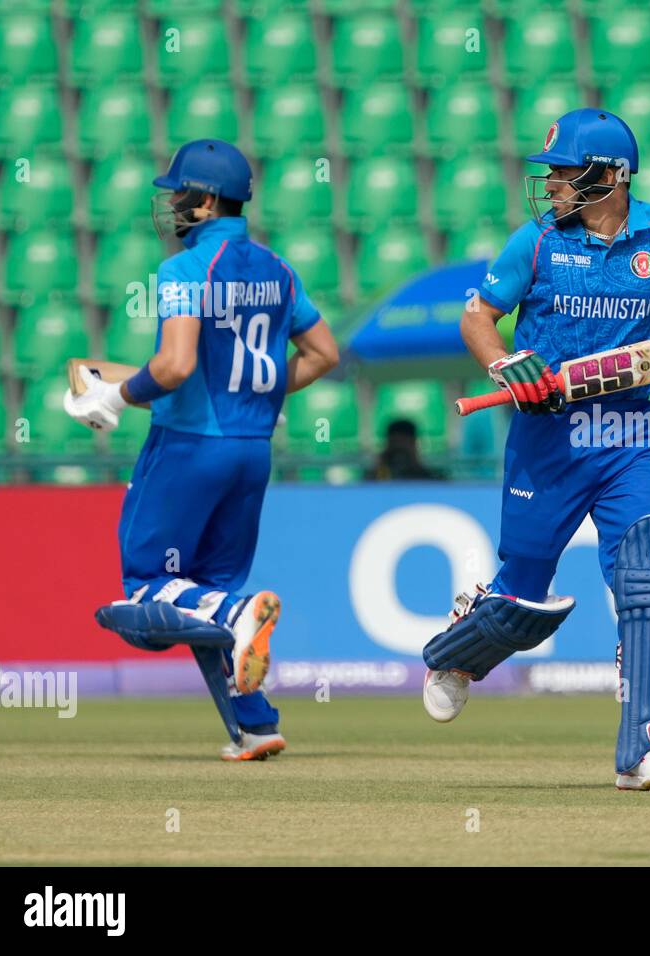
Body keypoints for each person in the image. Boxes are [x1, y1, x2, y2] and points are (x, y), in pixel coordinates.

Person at [418, 108, 650, 791]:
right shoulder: (537, 243)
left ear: (610, 176)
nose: (551, 185)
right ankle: (456, 650)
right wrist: (506, 363)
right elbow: (478, 317)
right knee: (521, 602)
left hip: (630, 431)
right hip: (548, 435)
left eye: (564, 173)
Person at [64, 139, 340, 760]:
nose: (173, 205)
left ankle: (244, 613)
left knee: (145, 587)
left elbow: (176, 363)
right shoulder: (278, 268)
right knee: (205, 591)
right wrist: (263, 393)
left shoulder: (185, 271)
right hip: (252, 451)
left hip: (189, 449)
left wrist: (116, 397)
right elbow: (324, 355)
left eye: (180, 193)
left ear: (208, 200)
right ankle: (256, 725)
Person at [366, 418, 444, 480]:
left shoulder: (428, 478)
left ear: (414, 445)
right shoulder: (376, 475)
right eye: (395, 443)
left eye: (403, 444)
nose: (398, 448)